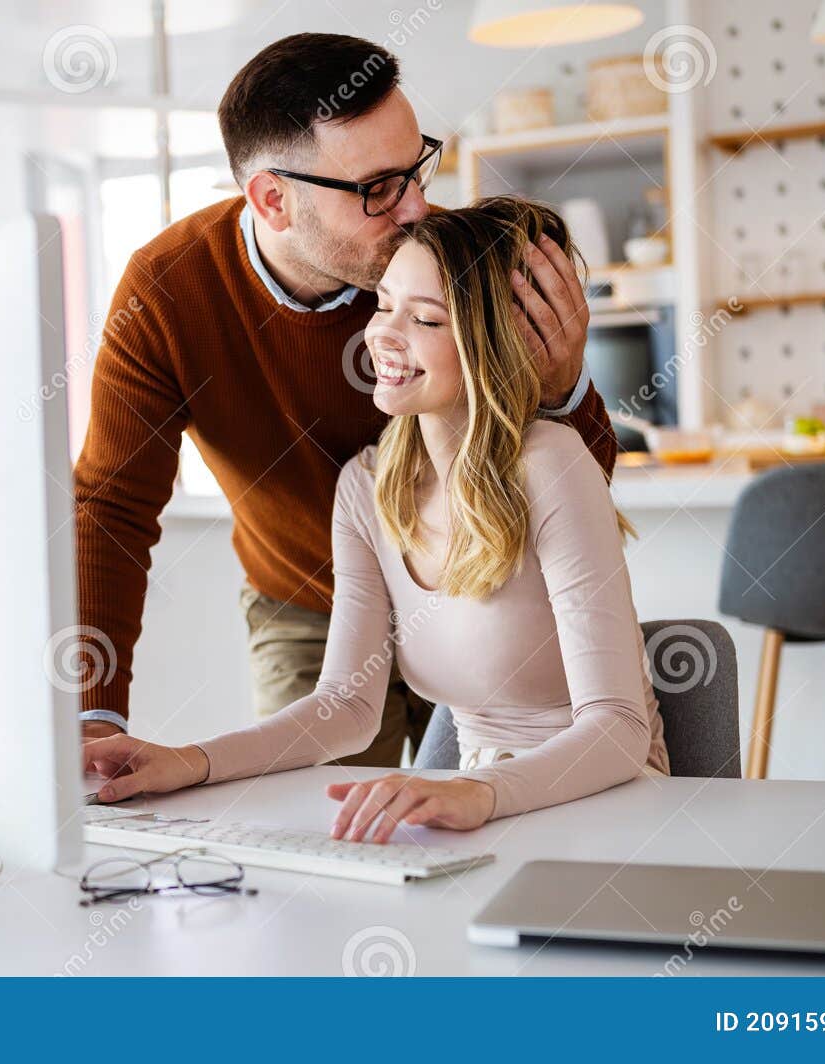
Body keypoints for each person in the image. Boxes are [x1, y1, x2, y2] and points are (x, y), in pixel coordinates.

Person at [74, 33, 616, 766]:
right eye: (377, 187)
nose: (416, 205)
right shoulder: (168, 292)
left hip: (472, 588)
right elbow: (109, 506)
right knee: (326, 833)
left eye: (415, 167)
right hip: (304, 602)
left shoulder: (436, 266)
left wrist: (561, 388)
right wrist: (92, 717)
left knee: (479, 821)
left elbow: (575, 495)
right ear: (273, 199)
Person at [83, 197, 669, 839]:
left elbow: (617, 730)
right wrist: (189, 763)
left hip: (607, 810)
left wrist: (478, 792)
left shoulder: (550, 465)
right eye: (384, 304)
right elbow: (345, 708)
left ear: (490, 343)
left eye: (424, 318)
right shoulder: (368, 486)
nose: (383, 335)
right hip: (485, 810)